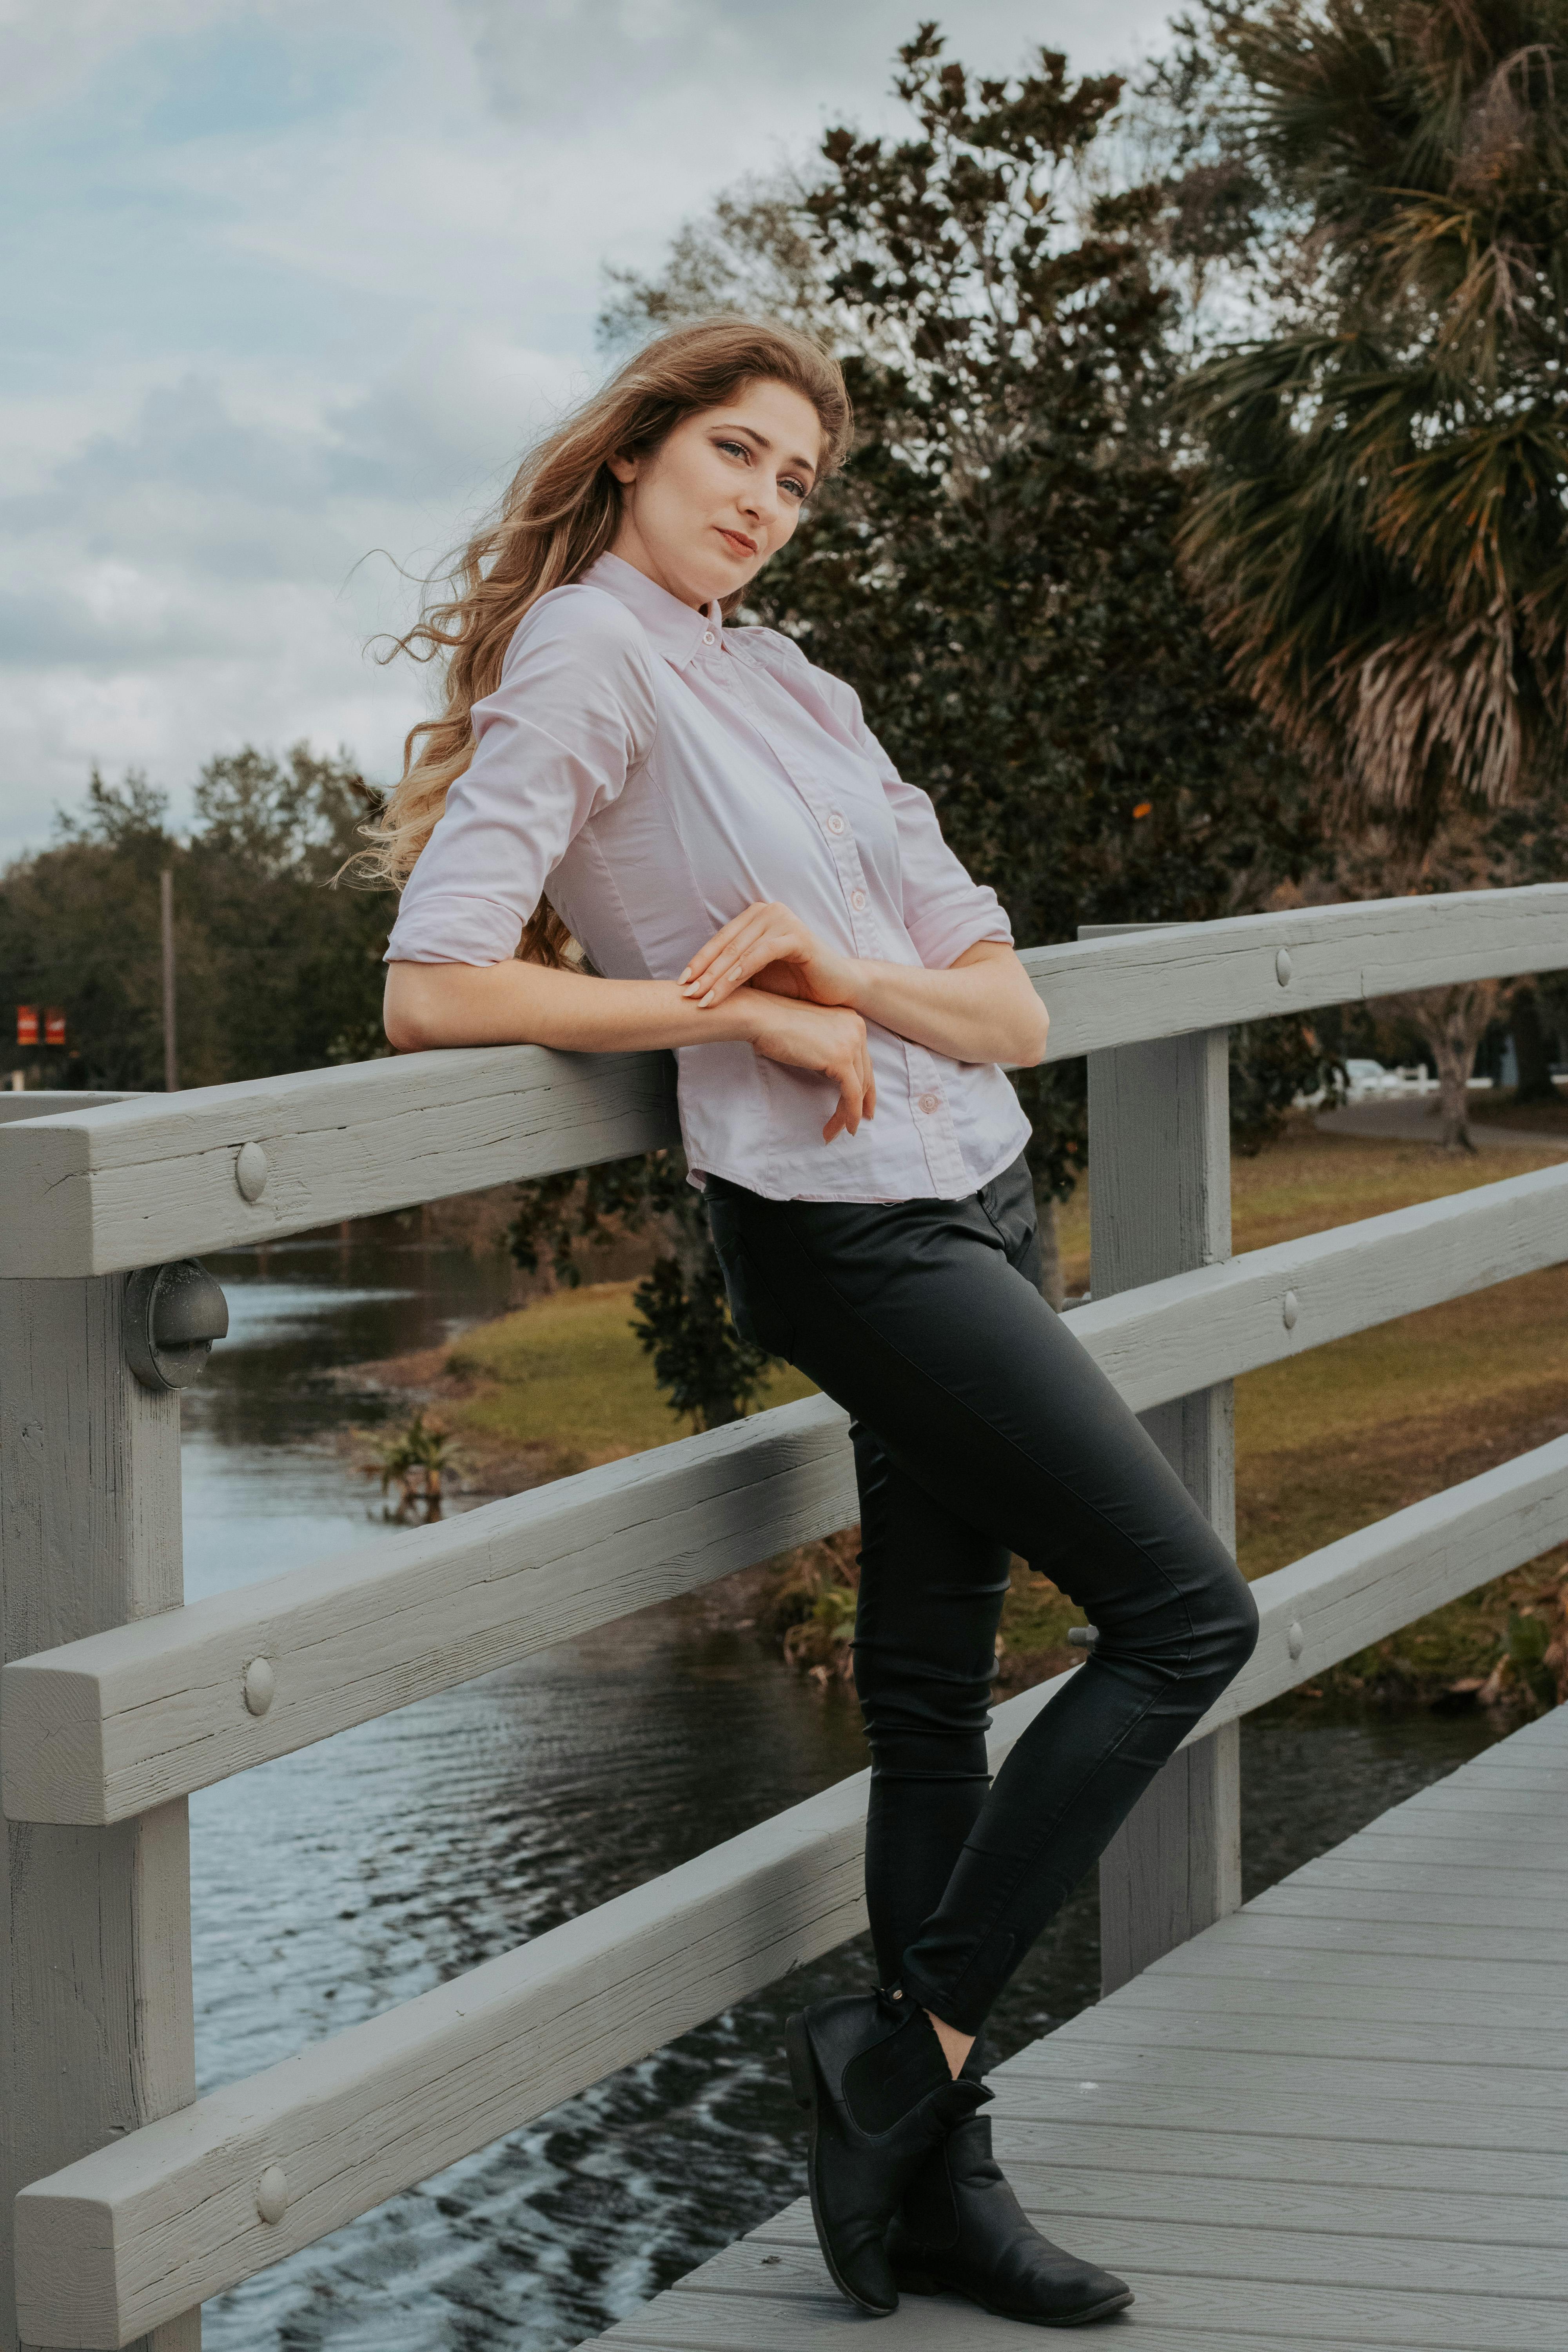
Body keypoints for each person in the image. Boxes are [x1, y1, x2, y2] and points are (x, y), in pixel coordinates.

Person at [372, 316, 1259, 2328]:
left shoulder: (792, 679)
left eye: (797, 481)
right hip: (842, 1226)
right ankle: (899, 2060)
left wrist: (844, 979)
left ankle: (935, 2185)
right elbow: (436, 983)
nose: (765, 503)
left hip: (982, 1181)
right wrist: (732, 1014)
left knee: (932, 1694)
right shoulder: (589, 657)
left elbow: (1002, 1006)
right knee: (1186, 1614)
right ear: (636, 451)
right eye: (736, 454)